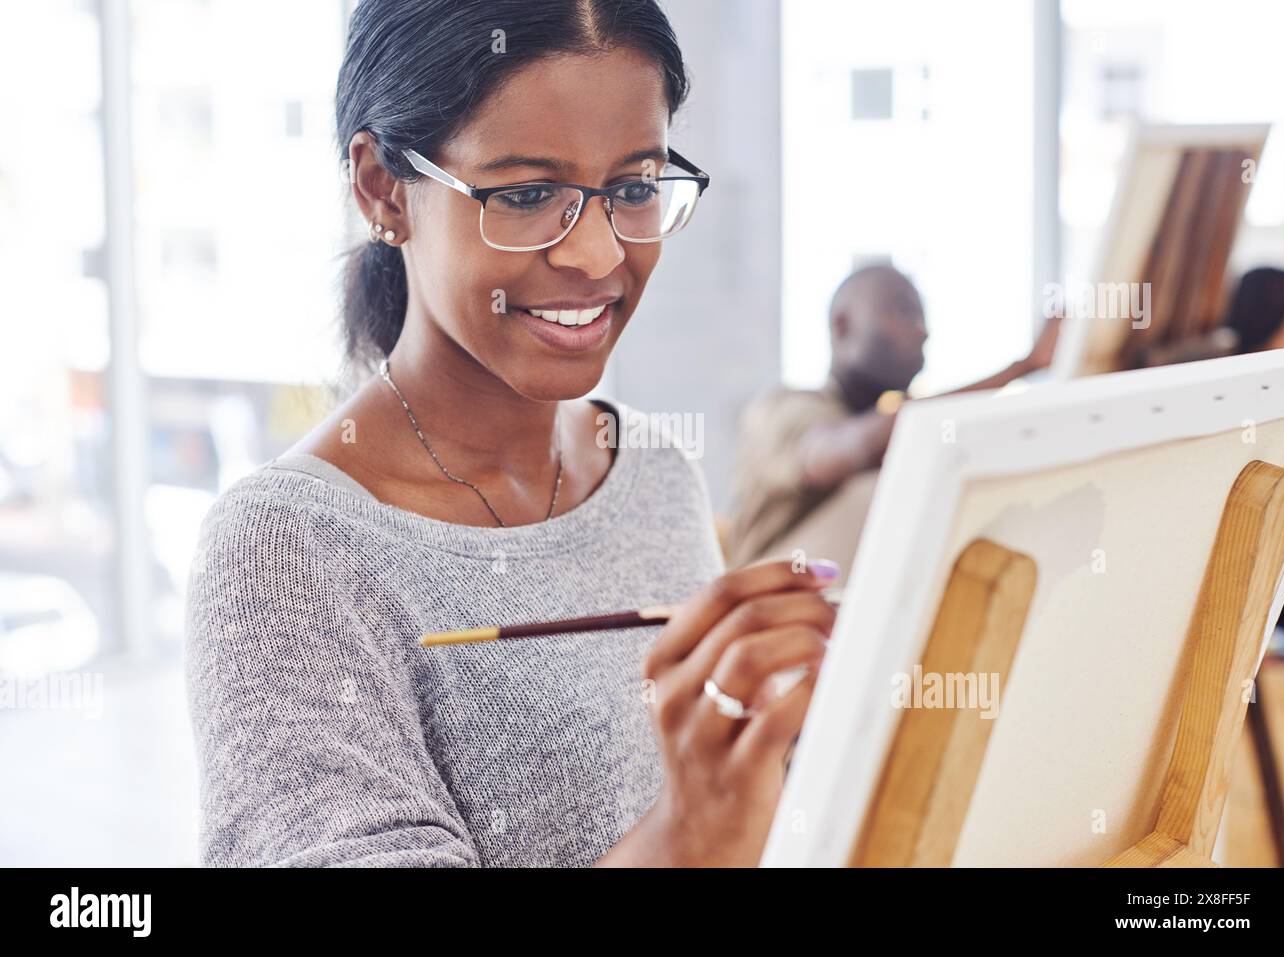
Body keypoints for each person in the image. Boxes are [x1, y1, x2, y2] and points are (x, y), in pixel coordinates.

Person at [184, 0, 838, 868]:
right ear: (383, 187)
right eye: (529, 195)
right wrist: (686, 838)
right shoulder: (288, 550)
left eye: (634, 187)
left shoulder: (651, 469)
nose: (599, 255)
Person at [727, 264, 1060, 569]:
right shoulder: (783, 408)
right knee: (882, 487)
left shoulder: (898, 423)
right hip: (766, 613)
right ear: (842, 326)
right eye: (903, 311)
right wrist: (1023, 367)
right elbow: (846, 450)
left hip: (852, 616)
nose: (922, 331)